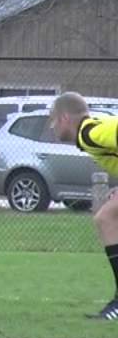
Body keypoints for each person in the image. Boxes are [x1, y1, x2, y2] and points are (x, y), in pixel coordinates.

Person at [50, 92, 118, 320]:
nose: (52, 127)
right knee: (107, 218)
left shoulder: (91, 133)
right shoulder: (93, 129)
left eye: (53, 120)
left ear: (64, 119)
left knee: (106, 218)